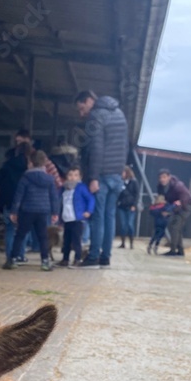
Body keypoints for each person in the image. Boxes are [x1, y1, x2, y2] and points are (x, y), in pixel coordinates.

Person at [75, 90, 129, 268]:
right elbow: (124, 146)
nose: (82, 113)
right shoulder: (119, 113)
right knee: (110, 216)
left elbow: (97, 148)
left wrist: (93, 177)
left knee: (98, 217)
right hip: (116, 174)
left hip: (103, 174)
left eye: (82, 108)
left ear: (89, 100)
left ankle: (92, 257)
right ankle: (105, 257)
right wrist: (121, 169)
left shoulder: (96, 115)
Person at [5, 150, 60, 271]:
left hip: (27, 211)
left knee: (20, 235)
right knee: (43, 237)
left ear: (30, 163)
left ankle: (13, 260)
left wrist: (14, 211)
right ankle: (45, 262)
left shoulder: (25, 178)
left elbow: (18, 196)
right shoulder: (50, 179)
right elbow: (54, 197)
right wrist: (55, 212)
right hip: (43, 211)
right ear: (44, 163)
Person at [0, 132, 33, 264]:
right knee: (23, 228)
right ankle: (20, 255)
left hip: (9, 200)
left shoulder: (7, 165)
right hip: (25, 201)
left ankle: (10, 257)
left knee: (10, 228)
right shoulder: (29, 168)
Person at [59, 165, 94, 267]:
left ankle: (77, 258)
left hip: (77, 218)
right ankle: (65, 259)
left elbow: (90, 199)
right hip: (66, 218)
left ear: (80, 177)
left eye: (75, 175)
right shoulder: (64, 188)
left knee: (76, 240)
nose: (73, 177)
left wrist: (89, 211)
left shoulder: (81, 188)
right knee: (66, 240)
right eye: (70, 175)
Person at [157, 170, 191, 256]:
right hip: (175, 206)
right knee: (175, 227)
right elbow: (162, 199)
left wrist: (171, 211)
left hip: (186, 205)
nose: (162, 179)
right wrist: (165, 209)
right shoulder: (160, 187)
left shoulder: (178, 186)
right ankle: (180, 251)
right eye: (160, 177)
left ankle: (173, 250)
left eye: (164, 177)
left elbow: (183, 201)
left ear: (169, 177)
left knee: (174, 227)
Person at [116, 165, 139, 248]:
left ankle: (131, 243)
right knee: (123, 225)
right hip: (122, 206)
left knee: (130, 224)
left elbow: (137, 194)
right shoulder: (120, 182)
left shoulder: (134, 182)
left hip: (130, 206)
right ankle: (123, 243)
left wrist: (134, 205)